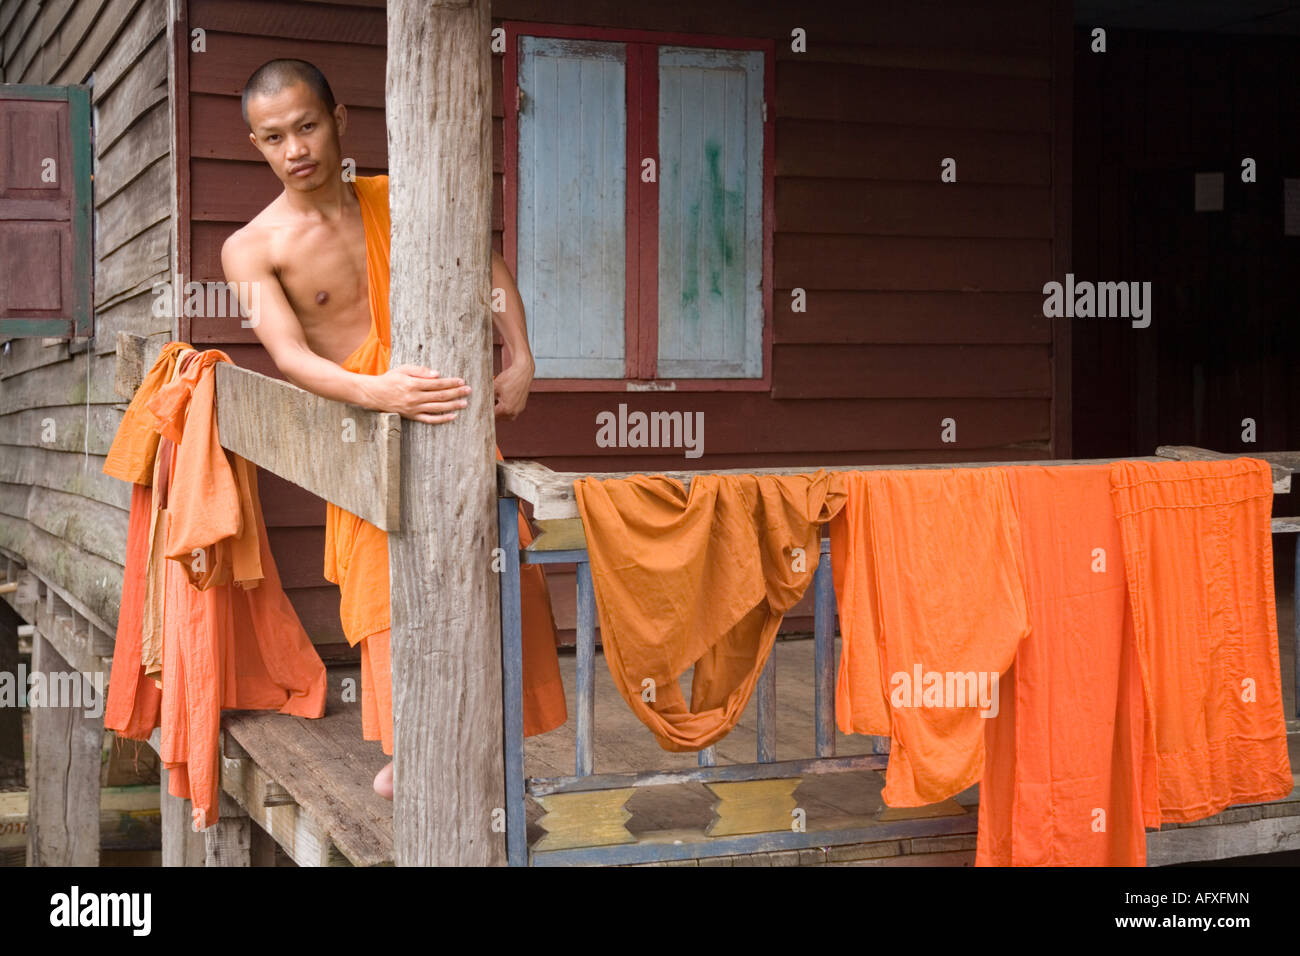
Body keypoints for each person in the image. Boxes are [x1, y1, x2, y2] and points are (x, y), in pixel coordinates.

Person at [221, 58, 559, 799]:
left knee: (489, 567)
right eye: (275, 137)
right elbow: (290, 357)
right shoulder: (252, 246)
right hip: (367, 434)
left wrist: (522, 354)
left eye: (307, 126)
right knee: (390, 595)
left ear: (339, 120)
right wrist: (378, 391)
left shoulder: (398, 197)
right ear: (257, 144)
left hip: (445, 413)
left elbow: (487, 269)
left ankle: (493, 744)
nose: (296, 149)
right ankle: (417, 753)